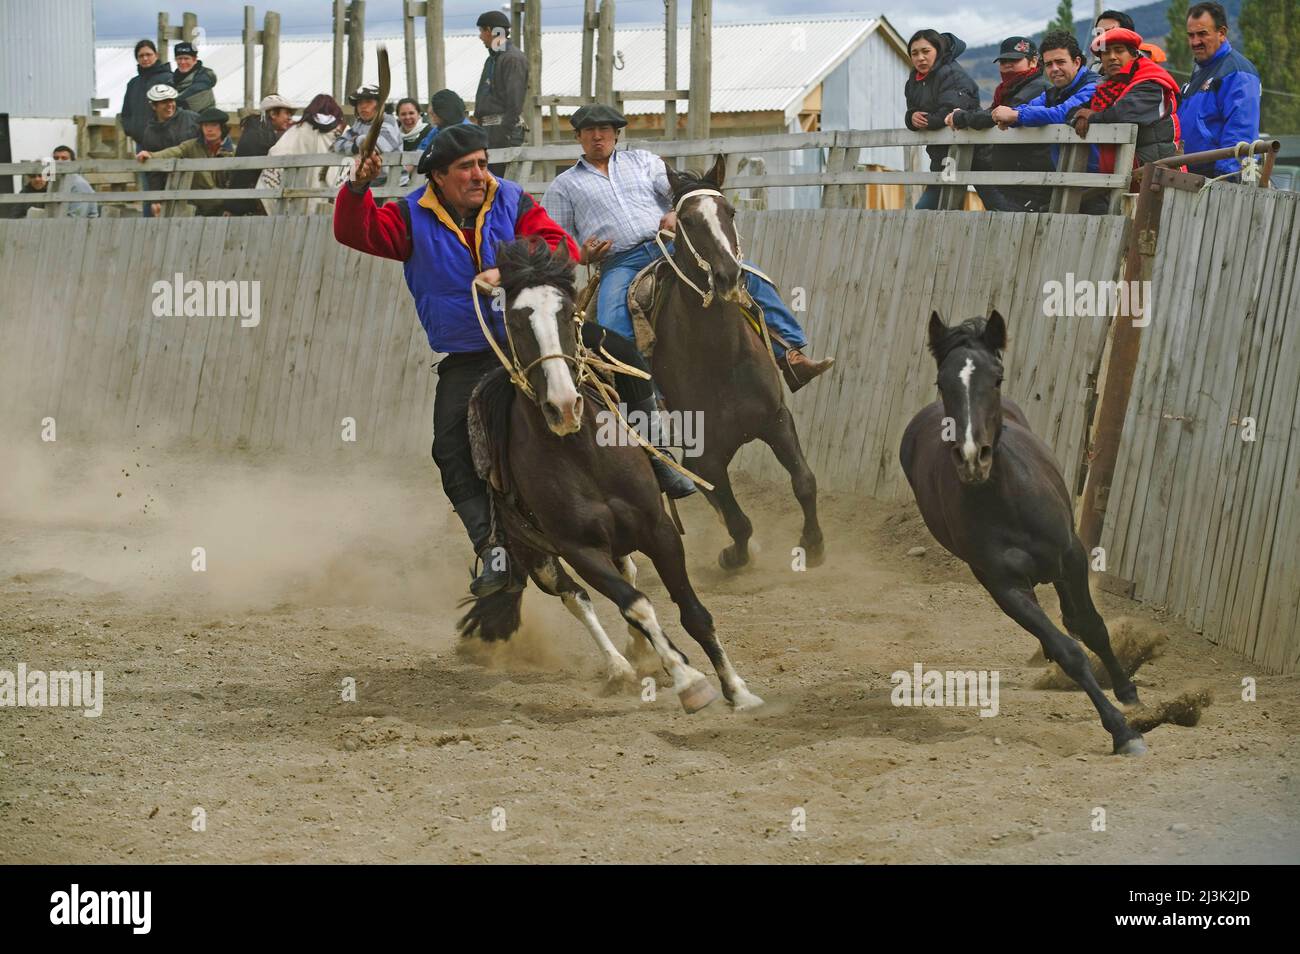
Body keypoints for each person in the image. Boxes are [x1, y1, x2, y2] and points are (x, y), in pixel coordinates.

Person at [333, 124, 690, 596]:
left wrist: (513, 268)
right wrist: (358, 188)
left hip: (543, 338)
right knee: (451, 448)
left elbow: (562, 247)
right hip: (471, 352)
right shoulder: (409, 215)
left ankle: (661, 458)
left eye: (483, 163)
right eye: (467, 167)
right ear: (438, 175)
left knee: (626, 359)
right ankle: (492, 549)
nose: (480, 174)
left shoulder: (512, 199)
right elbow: (354, 231)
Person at [543, 105, 834, 394]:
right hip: (620, 262)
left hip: (671, 246)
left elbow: (680, 191)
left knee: (748, 275)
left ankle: (792, 357)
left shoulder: (643, 161)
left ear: (616, 135)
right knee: (612, 318)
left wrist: (674, 210)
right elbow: (554, 245)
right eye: (589, 131)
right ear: (578, 137)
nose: (597, 136)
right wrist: (582, 255)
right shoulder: (563, 186)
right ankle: (646, 394)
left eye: (604, 130)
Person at [1070, 28, 1181, 212]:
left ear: (1133, 54)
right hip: (1125, 181)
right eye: (1106, 52)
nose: (1112, 57)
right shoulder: (1108, 87)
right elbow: (1074, 111)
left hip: (1157, 182)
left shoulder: (1151, 82)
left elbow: (1122, 113)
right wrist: (1079, 117)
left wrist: (1091, 117)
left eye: (1119, 50)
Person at [949, 36, 1052, 213]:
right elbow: (992, 112)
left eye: (1014, 60)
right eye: (1004, 61)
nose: (1007, 65)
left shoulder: (1037, 87)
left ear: (1033, 61)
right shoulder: (1009, 90)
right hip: (1013, 176)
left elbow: (997, 114)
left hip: (1029, 182)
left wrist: (961, 117)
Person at [989, 31, 1101, 179]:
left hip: (1099, 178)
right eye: (1049, 64)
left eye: (1060, 62)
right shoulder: (1054, 92)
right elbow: (1030, 107)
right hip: (1068, 174)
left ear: (1076, 62)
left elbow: (1063, 113)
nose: (1054, 68)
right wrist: (1011, 117)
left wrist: (1015, 115)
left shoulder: (1095, 86)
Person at [1178, 2, 1261, 179]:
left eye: (1202, 34)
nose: (1195, 42)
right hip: (1191, 174)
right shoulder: (1201, 70)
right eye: (1191, 35)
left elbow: (1241, 132)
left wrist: (1226, 178)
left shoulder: (1237, 72)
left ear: (1221, 33)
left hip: (1218, 179)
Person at [904, 30, 979, 210]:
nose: (920, 58)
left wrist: (926, 120)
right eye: (914, 53)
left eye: (926, 51)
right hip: (943, 158)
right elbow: (913, 109)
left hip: (975, 153)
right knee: (930, 210)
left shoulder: (951, 73)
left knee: (999, 205)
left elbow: (949, 112)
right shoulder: (914, 81)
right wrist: (911, 117)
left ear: (938, 50)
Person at [135, 107, 234, 216]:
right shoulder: (191, 146)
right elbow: (174, 151)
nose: (209, 130)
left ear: (222, 127)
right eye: (205, 125)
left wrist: (231, 208)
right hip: (198, 207)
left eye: (214, 125)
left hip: (224, 206)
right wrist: (151, 155)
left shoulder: (232, 151)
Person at [258, 94, 346, 216]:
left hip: (298, 204)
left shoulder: (298, 130)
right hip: (331, 203)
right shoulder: (343, 132)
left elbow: (275, 155)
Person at [473, 10, 528, 175]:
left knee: (500, 183)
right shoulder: (493, 59)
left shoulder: (512, 58)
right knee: (489, 182)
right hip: (490, 132)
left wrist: (505, 133)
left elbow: (514, 101)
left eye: (482, 31)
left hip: (502, 132)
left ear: (490, 31)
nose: (481, 37)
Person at [137, 83, 200, 217]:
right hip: (170, 186)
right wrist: (156, 199)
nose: (169, 105)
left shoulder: (192, 119)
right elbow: (153, 170)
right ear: (154, 106)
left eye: (171, 100)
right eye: (163, 102)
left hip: (198, 181)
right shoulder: (150, 132)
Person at [227, 94, 296, 215]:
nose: (289, 118)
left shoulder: (256, 129)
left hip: (242, 198)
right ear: (273, 114)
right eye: (286, 113)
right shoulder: (264, 135)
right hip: (249, 202)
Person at [333, 84, 402, 195]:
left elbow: (376, 145)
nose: (363, 106)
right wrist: (356, 145)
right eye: (359, 103)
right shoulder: (358, 124)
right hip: (367, 183)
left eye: (368, 102)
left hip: (391, 183)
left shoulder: (387, 120)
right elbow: (338, 144)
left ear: (380, 105)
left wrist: (358, 140)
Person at [121, 40, 173, 147]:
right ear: (137, 59)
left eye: (148, 54)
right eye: (141, 56)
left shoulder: (168, 79)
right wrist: (131, 130)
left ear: (156, 55)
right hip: (141, 142)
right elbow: (126, 112)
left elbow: (174, 109)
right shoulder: (133, 83)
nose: (145, 58)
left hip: (166, 141)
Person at [51, 146, 99, 218]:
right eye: (56, 158)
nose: (59, 161)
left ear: (73, 162)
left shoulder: (78, 183)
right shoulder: (58, 180)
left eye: (64, 158)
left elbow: (77, 216)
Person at [170, 41, 217, 114]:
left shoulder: (204, 78)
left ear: (194, 59)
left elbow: (189, 101)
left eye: (186, 58)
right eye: (179, 58)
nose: (182, 62)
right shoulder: (171, 79)